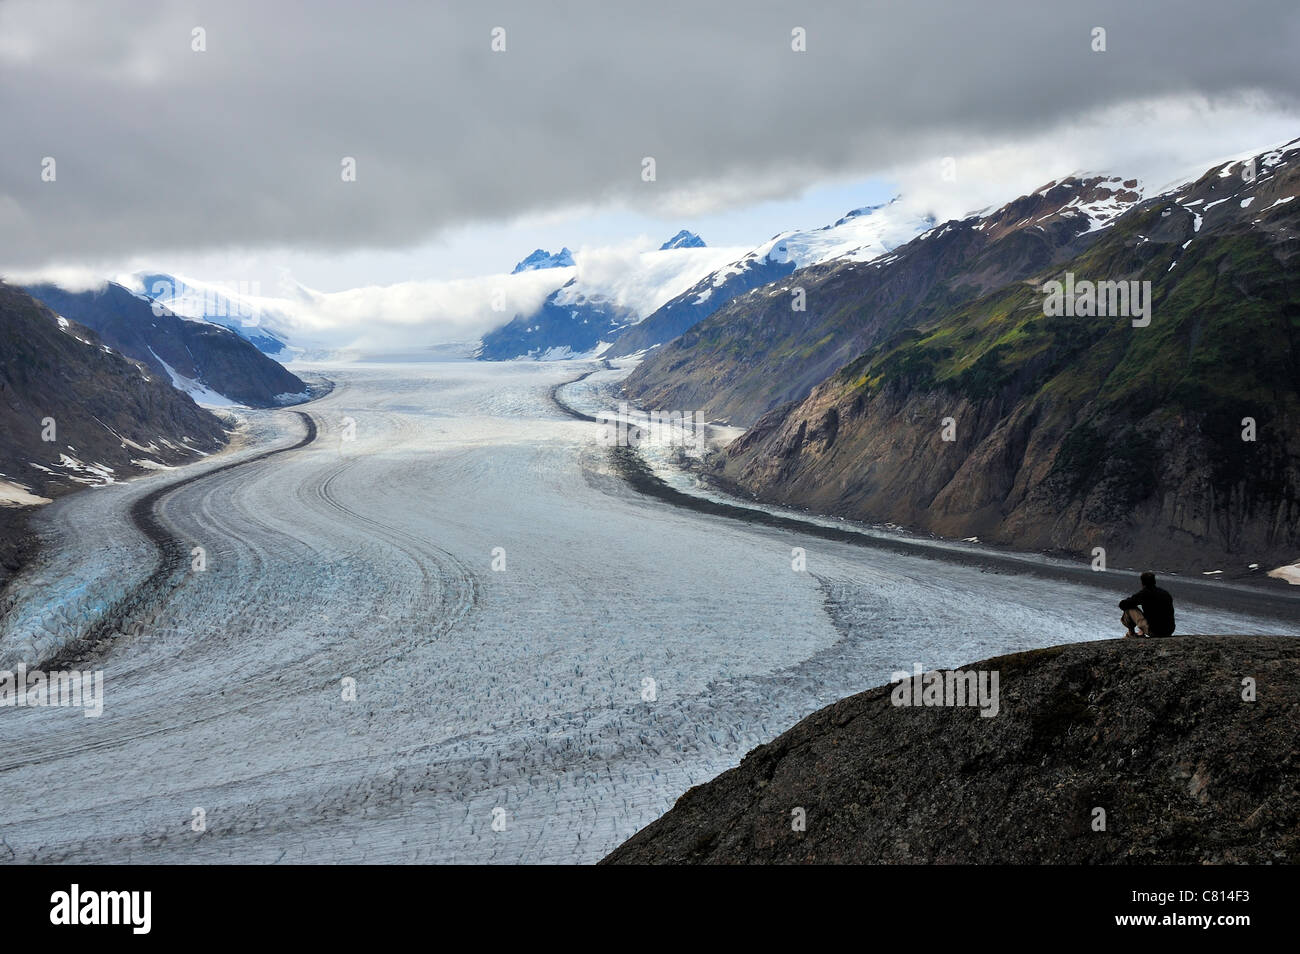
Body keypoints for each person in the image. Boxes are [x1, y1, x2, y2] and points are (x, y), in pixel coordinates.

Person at [1119, 571, 1176, 637]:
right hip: (1169, 631)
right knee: (1154, 615)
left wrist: (1132, 601)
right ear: (1154, 581)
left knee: (1129, 609)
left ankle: (1131, 633)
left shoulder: (1144, 593)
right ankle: (1141, 631)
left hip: (1155, 631)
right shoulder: (1165, 593)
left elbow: (1123, 605)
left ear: (1142, 582)